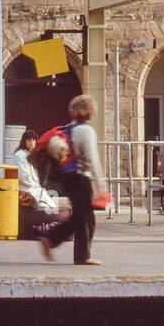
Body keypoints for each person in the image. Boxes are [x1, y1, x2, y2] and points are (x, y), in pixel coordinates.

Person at [40, 95, 107, 266]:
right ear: (88, 111)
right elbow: (92, 158)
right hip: (80, 179)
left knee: (80, 216)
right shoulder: (86, 131)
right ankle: (81, 255)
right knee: (86, 218)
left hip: (67, 178)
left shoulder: (69, 129)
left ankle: (52, 240)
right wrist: (102, 184)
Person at [14, 129, 58, 211]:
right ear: (24, 141)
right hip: (25, 188)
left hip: (34, 187)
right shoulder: (19, 155)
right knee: (43, 203)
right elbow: (23, 177)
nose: (31, 142)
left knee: (50, 205)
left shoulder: (32, 155)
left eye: (33, 140)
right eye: (29, 140)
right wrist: (36, 186)